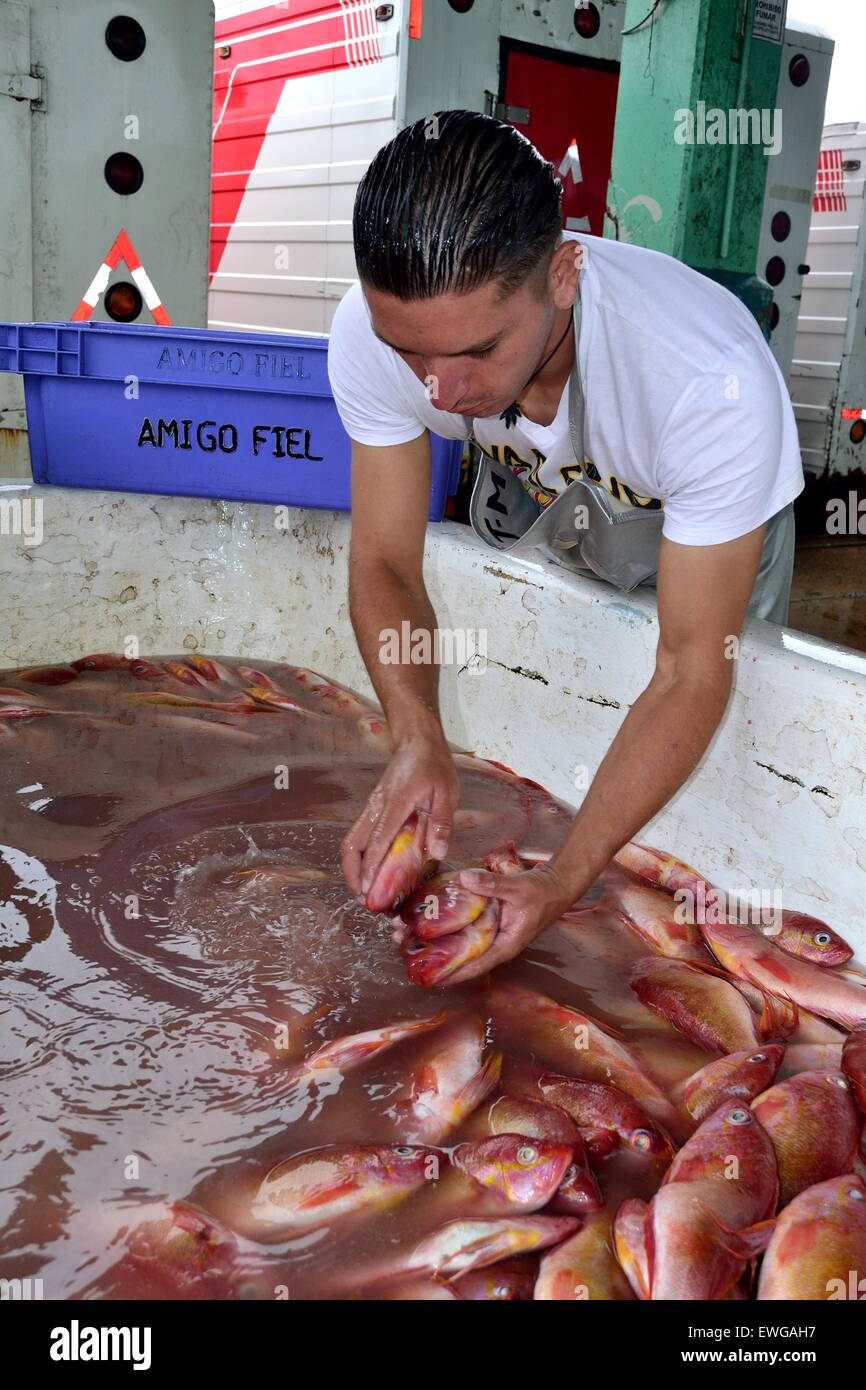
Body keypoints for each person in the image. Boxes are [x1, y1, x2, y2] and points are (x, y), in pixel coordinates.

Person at [326, 109, 804, 982]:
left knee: (728, 760)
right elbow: (385, 563)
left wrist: (563, 883)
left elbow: (692, 669)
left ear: (563, 273)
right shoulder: (371, 335)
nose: (442, 389)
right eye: (410, 354)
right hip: (557, 507)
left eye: (476, 351)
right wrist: (416, 735)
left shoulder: (707, 383)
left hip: (703, 544)